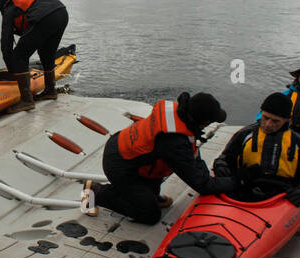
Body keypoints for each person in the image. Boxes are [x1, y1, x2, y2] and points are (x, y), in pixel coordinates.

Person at [85, 92, 235, 224]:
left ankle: (147, 194)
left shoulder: (180, 113)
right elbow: (202, 185)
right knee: (150, 214)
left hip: (127, 149)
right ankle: (95, 192)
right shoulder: (173, 141)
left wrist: (208, 176)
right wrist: (238, 181)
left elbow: (194, 156)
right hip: (120, 164)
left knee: (149, 194)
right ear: (202, 122)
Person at [215, 92, 300, 206]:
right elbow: (225, 159)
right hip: (245, 187)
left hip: (280, 195)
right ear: (261, 113)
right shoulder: (245, 134)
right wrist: (220, 166)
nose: (268, 124)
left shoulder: (298, 142)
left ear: (286, 120)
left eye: (275, 121)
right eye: (265, 118)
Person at [0, 0, 68, 112]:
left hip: (46, 15)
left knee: (19, 55)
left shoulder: (9, 8)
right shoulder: (23, 2)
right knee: (47, 54)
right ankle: (50, 91)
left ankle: (26, 101)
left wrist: (12, 70)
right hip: (62, 12)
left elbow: (6, 44)